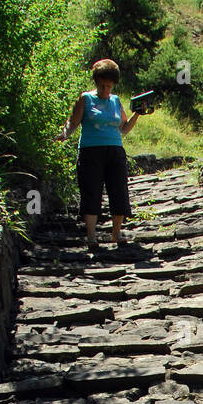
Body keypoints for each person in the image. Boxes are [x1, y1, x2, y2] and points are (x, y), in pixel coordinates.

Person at [57, 60, 151, 257]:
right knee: (91, 191)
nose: (105, 89)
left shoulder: (116, 101)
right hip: (91, 151)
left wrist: (137, 114)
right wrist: (64, 134)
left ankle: (116, 233)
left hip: (115, 150)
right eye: (102, 85)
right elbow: (73, 122)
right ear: (96, 81)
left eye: (109, 85)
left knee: (119, 190)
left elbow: (123, 129)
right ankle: (92, 237)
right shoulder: (86, 99)